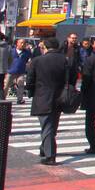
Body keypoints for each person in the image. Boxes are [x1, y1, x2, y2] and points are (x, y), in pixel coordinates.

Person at [26, 37, 69, 165]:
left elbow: (30, 80)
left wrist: (31, 92)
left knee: (46, 125)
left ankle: (50, 155)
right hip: (60, 95)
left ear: (45, 47)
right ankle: (44, 148)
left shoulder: (37, 60)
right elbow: (71, 78)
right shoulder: (65, 60)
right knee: (52, 124)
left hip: (42, 96)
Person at [7, 39, 32, 105]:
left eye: (24, 43)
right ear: (17, 43)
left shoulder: (27, 52)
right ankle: (2, 99)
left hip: (21, 72)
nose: (23, 44)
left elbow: (28, 61)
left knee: (21, 85)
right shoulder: (11, 51)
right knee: (6, 86)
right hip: (10, 71)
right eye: (21, 43)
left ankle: (19, 99)